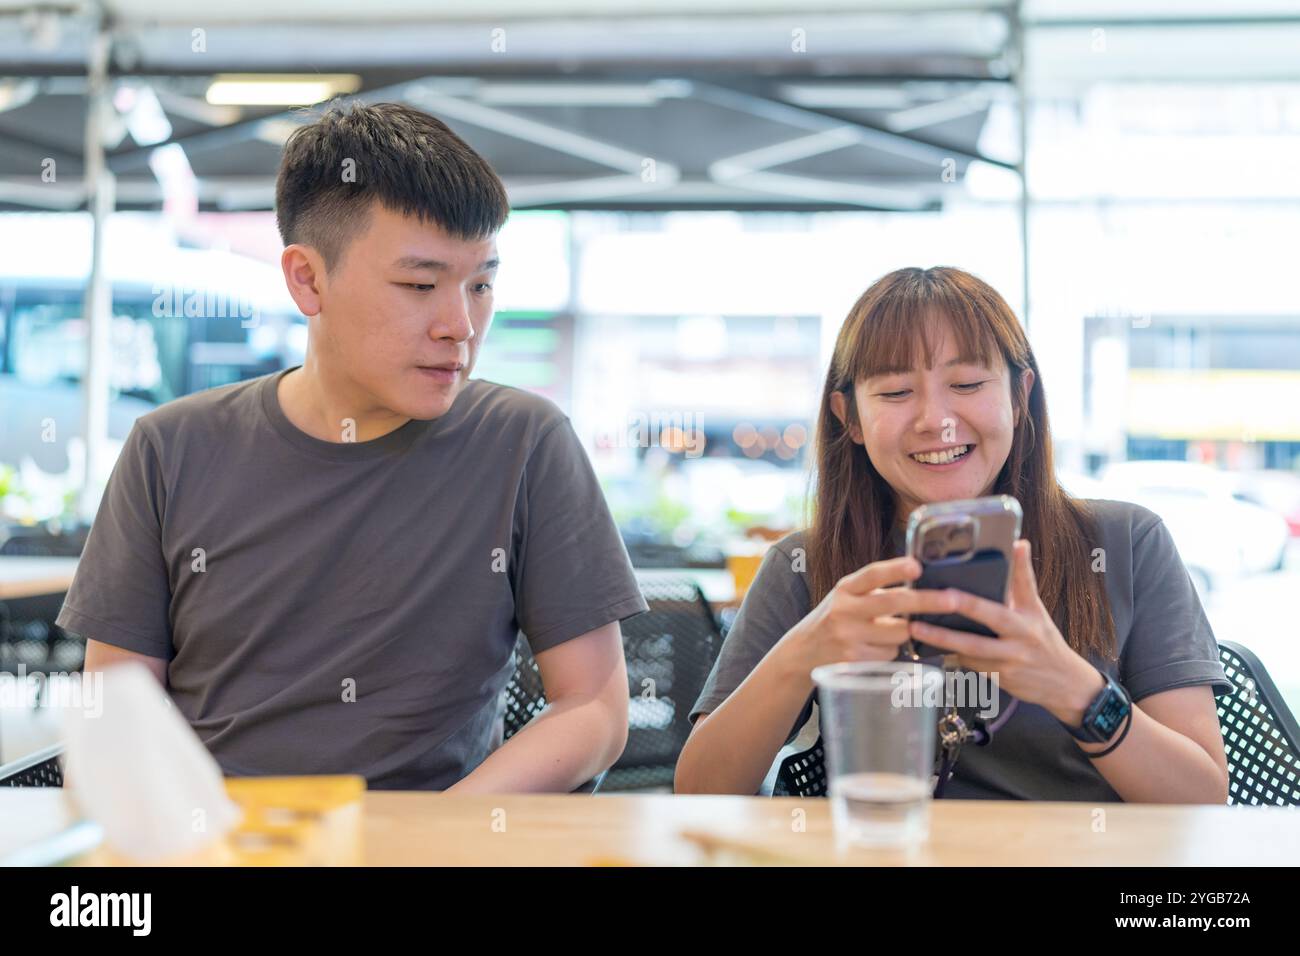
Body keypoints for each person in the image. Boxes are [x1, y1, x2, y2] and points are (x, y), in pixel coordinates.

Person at [61, 102, 647, 792]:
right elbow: (119, 713)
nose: (460, 324)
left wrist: (432, 835)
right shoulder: (171, 448)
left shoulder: (522, 443)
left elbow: (595, 708)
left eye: (481, 284)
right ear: (308, 280)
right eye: (420, 285)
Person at [676, 266, 1231, 803]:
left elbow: (1201, 798)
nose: (936, 419)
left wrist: (1072, 686)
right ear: (849, 417)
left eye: (966, 384)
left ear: (1019, 395)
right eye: (895, 392)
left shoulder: (1124, 544)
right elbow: (700, 791)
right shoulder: (805, 565)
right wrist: (805, 652)